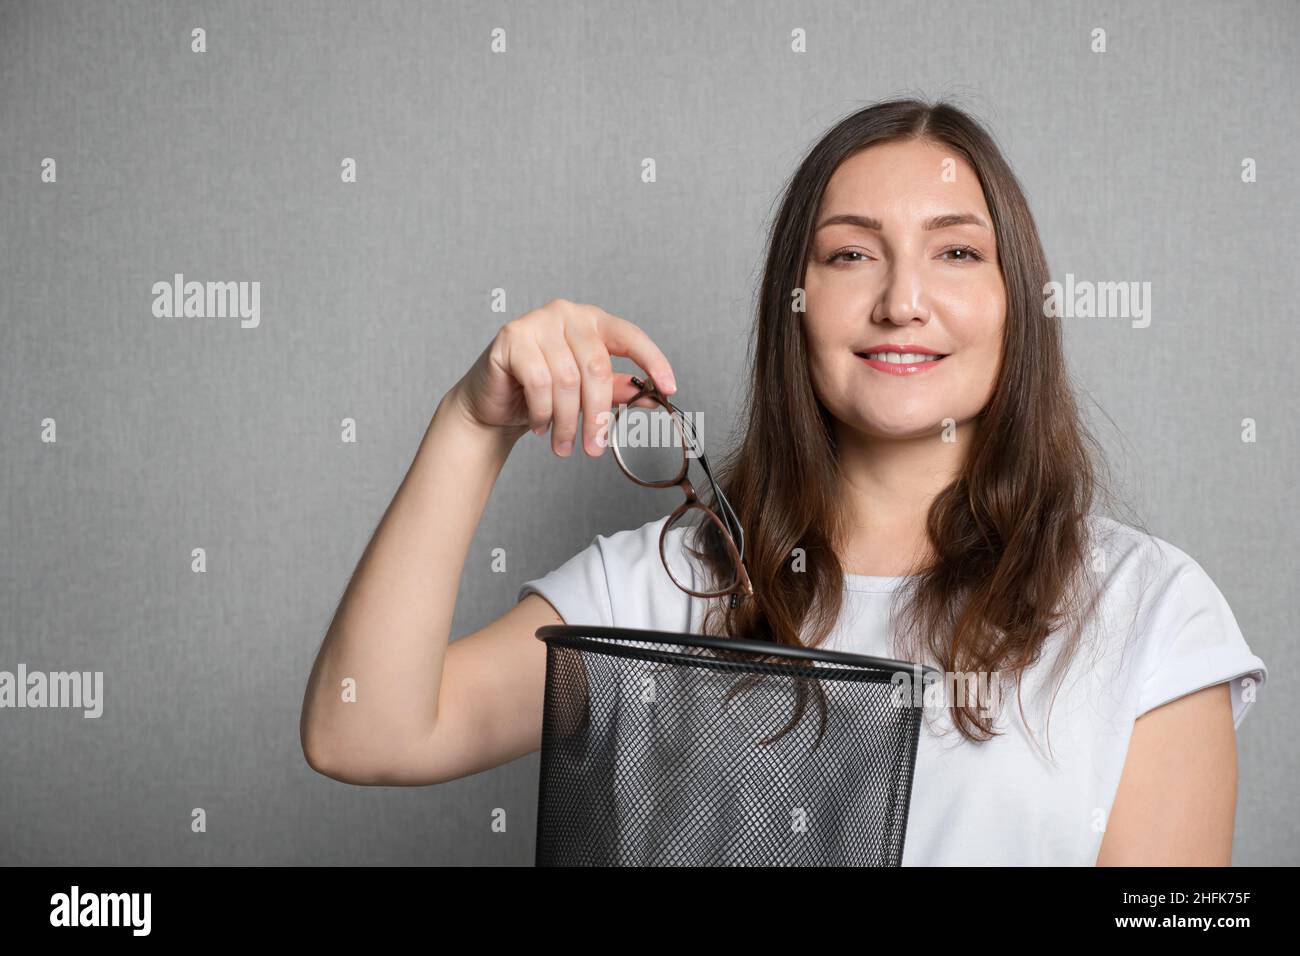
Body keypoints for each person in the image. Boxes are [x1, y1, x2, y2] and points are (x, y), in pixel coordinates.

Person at [299, 98, 1267, 866]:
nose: (901, 299)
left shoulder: (1151, 615)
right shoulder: (659, 584)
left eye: (957, 251)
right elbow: (362, 727)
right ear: (793, 307)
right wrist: (472, 424)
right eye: (849, 254)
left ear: (1017, 303)